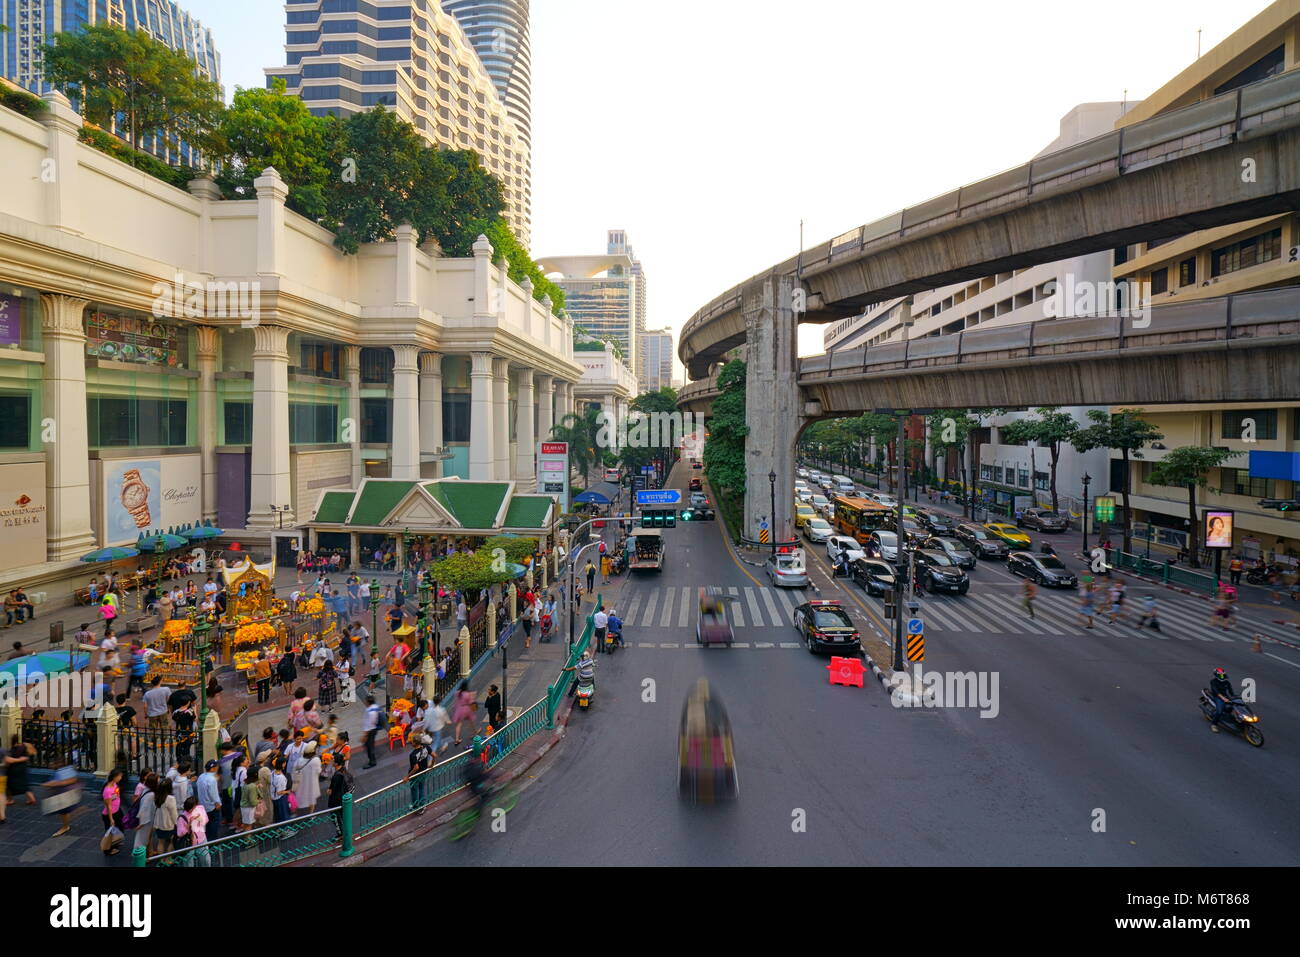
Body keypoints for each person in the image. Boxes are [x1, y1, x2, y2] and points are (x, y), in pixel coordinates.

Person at [42, 762, 81, 838]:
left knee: (63, 812)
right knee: (65, 810)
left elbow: (66, 781)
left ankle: (65, 827)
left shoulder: (60, 772)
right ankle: (68, 821)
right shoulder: (67, 769)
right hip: (68, 793)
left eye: (52, 763)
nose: (50, 765)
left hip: (65, 794)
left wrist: (50, 784)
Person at [405, 733, 433, 813]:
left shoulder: (413, 755)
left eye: (412, 741)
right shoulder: (426, 747)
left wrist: (407, 776)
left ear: (414, 743)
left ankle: (416, 807)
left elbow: (416, 767)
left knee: (414, 790)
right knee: (421, 788)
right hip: (424, 772)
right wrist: (432, 764)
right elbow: (434, 755)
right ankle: (422, 806)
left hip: (416, 775)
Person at [100, 768, 125, 855]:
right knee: (110, 832)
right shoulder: (107, 791)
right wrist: (111, 819)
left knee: (120, 826)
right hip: (110, 814)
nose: (121, 778)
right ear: (115, 777)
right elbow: (108, 806)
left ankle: (116, 841)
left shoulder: (114, 784)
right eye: (119, 776)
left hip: (117, 810)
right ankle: (108, 850)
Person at [132, 773, 159, 853]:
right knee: (143, 839)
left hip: (147, 820)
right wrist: (142, 824)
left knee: (148, 838)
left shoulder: (146, 790)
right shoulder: (151, 795)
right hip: (146, 822)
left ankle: (149, 853)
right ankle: (142, 857)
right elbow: (144, 809)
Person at [152, 778, 178, 853]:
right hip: (168, 824)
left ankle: (161, 859)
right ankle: (167, 859)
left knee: (160, 842)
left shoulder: (157, 796)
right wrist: (177, 823)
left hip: (158, 824)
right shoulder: (170, 798)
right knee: (171, 842)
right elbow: (173, 813)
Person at [294, 742, 321, 814]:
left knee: (300, 794)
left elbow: (294, 770)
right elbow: (319, 771)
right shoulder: (316, 760)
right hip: (312, 782)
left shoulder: (299, 760)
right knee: (312, 796)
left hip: (301, 782)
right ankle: (311, 814)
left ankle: (295, 810)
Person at [1207, 667, 1234, 731]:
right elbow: (1216, 692)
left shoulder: (1227, 682)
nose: (1222, 676)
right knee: (1219, 712)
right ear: (1216, 675)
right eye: (1220, 675)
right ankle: (1214, 724)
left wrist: (1237, 697)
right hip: (1217, 697)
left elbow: (1231, 692)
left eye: (1222, 675)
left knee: (1232, 707)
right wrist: (1223, 698)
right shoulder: (1213, 682)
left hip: (1225, 697)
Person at [362, 695, 384, 769]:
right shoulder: (375, 706)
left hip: (371, 731)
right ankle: (371, 759)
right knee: (369, 745)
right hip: (372, 730)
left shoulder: (370, 712)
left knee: (369, 746)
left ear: (368, 702)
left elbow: (370, 725)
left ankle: (372, 762)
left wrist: (365, 736)